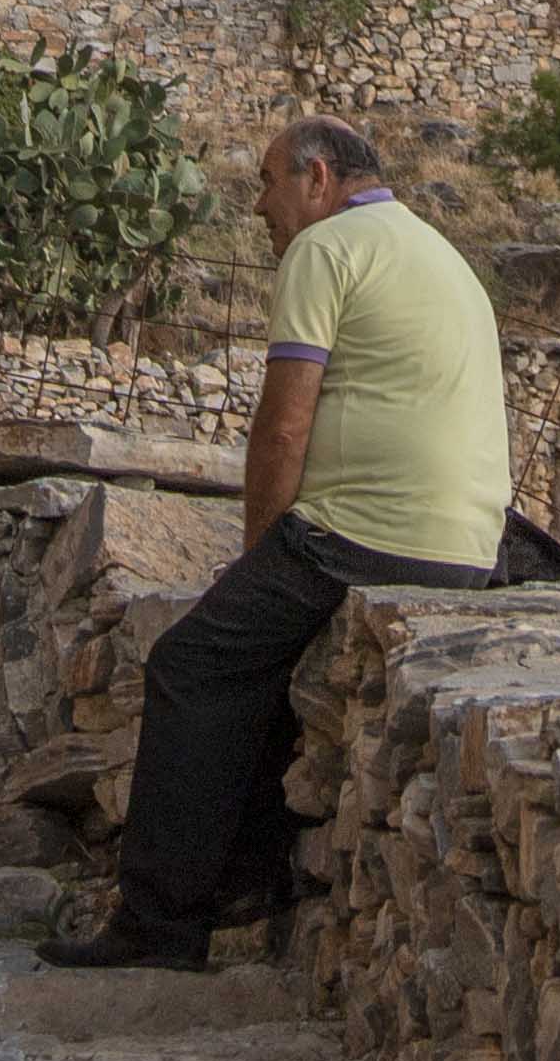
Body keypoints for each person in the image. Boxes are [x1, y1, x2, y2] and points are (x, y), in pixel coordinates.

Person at [49, 118, 507, 968]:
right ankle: (250, 880)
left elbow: (283, 426)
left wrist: (259, 551)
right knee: (264, 670)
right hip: (468, 542)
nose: (258, 204)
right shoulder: (434, 250)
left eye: (266, 181)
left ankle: (159, 923)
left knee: (191, 667)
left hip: (364, 531)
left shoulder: (326, 250)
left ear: (318, 178)